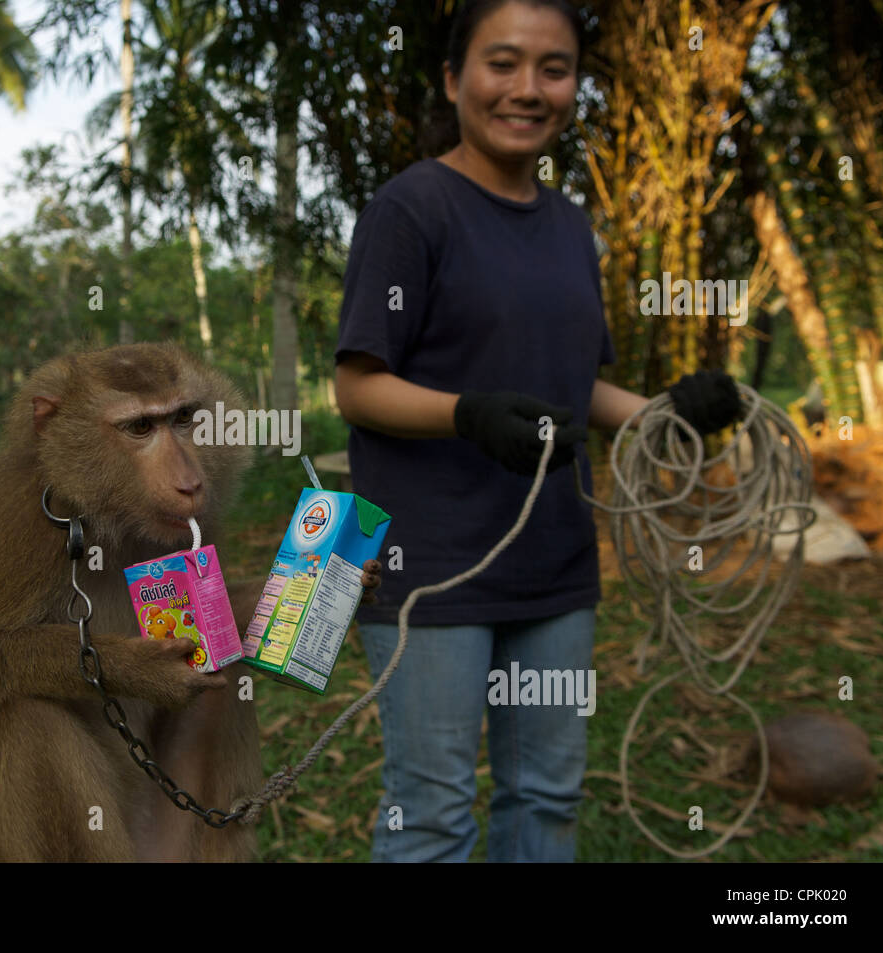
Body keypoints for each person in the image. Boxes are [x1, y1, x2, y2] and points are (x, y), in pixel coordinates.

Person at [333, 0, 741, 863]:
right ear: (454, 78)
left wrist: (672, 412)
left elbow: (575, 387)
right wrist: (465, 413)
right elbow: (356, 386)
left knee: (548, 798)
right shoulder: (411, 210)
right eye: (502, 63)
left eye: (553, 69)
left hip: (554, 563)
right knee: (434, 810)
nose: (527, 88)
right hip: (432, 569)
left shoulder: (567, 225)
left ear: (574, 86)